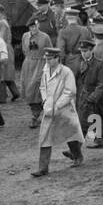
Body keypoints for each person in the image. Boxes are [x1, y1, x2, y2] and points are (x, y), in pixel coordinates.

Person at [32, 44, 84, 178]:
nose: (47, 62)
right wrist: (45, 101)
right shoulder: (45, 71)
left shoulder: (66, 72)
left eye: (50, 59)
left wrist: (58, 105)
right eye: (46, 59)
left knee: (69, 133)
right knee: (44, 137)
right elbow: (42, 87)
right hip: (49, 109)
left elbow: (70, 91)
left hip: (64, 109)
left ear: (57, 59)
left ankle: (77, 156)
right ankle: (43, 168)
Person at [76, 38, 103, 156]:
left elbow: (101, 84)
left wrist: (93, 98)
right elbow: (82, 82)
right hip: (86, 97)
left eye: (85, 51)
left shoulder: (99, 64)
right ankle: (75, 150)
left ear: (91, 51)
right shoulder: (82, 63)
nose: (83, 54)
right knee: (83, 123)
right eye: (82, 52)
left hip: (100, 99)